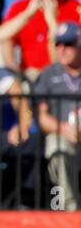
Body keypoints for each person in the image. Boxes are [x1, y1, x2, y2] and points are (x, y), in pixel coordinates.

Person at [0, 0, 76, 78]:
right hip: (29, 74)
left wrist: (52, 21)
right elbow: (4, 38)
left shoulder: (74, 8)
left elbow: (65, 55)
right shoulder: (20, 6)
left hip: (61, 75)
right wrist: (11, 67)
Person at [34, 22, 81, 210]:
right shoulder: (48, 74)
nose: (62, 49)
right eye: (58, 44)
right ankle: (70, 209)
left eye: (68, 43)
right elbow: (42, 116)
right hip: (63, 134)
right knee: (55, 145)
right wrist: (64, 128)